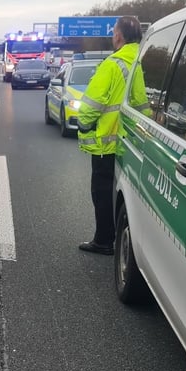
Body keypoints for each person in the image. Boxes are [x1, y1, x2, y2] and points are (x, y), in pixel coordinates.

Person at [75, 15, 148, 255]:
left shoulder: (112, 64)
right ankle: (119, 238)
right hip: (129, 142)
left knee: (102, 193)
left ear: (118, 35)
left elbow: (92, 104)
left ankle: (103, 240)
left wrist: (83, 123)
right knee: (122, 194)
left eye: (113, 32)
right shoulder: (138, 62)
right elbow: (141, 104)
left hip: (106, 142)